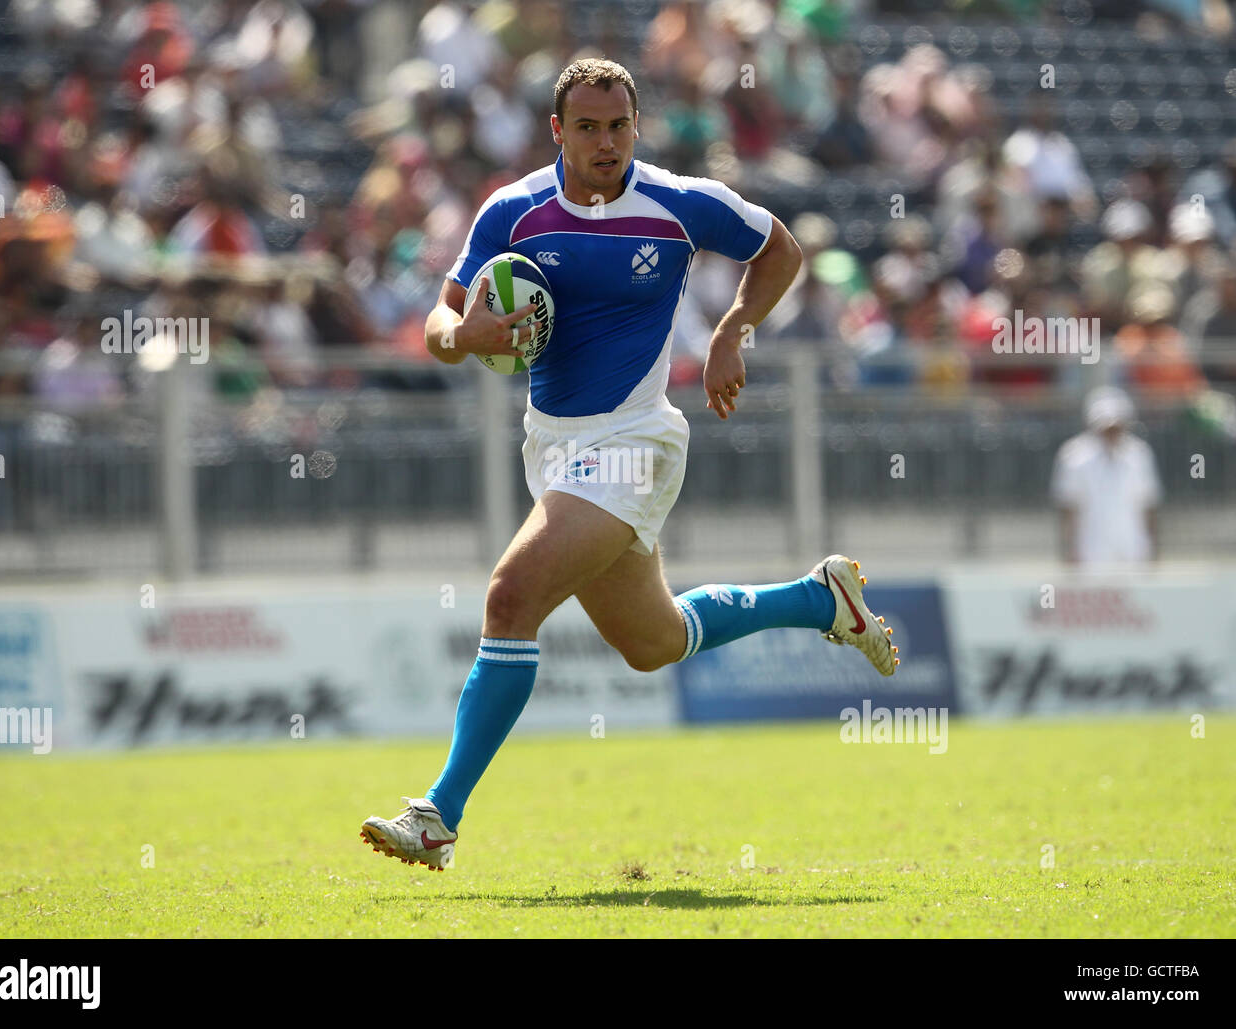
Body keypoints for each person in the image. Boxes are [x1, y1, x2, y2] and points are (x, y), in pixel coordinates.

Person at [359, 58, 898, 872]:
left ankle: (440, 813)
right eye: (587, 127)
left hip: (638, 444)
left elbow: (779, 250)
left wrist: (732, 331)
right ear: (556, 131)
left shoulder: (679, 205)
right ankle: (819, 599)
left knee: (510, 598)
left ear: (635, 126)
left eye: (618, 126)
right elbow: (441, 315)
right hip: (554, 450)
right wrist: (463, 337)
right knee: (654, 641)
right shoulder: (513, 211)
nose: (605, 142)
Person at [1050, 387, 1162, 567]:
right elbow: (1068, 506)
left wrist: (1152, 548)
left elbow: (1148, 504)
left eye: (1116, 427)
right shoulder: (1074, 456)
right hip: (1091, 551)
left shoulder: (1139, 454)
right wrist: (1070, 549)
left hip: (1132, 549)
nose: (1112, 433)